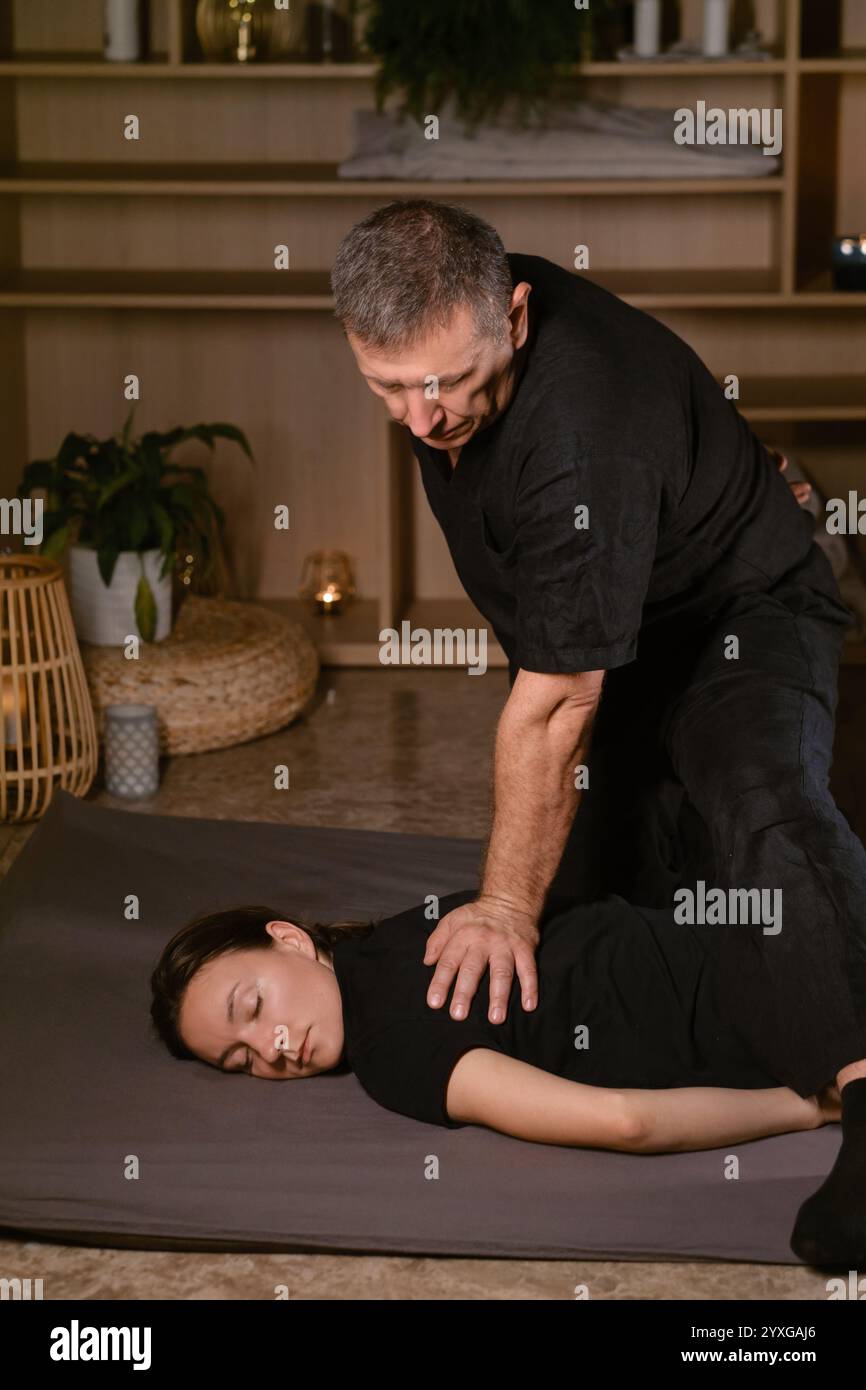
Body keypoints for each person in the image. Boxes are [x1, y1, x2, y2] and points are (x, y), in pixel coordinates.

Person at [329, 199, 866, 1265]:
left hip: (737, 614)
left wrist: (495, 903)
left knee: (759, 808)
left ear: (517, 318)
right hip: (622, 635)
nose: (420, 419)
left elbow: (556, 704)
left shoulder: (582, 422)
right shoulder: (454, 328)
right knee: (610, 911)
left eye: (441, 385)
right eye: (387, 387)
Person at [150, 888, 842, 1156]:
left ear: (290, 939)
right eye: (240, 1061)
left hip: (773, 1002)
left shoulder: (390, 1055)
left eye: (254, 1007)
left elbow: (626, 1121)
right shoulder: (418, 923)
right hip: (769, 929)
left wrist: (807, 1109)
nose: (270, 1050)